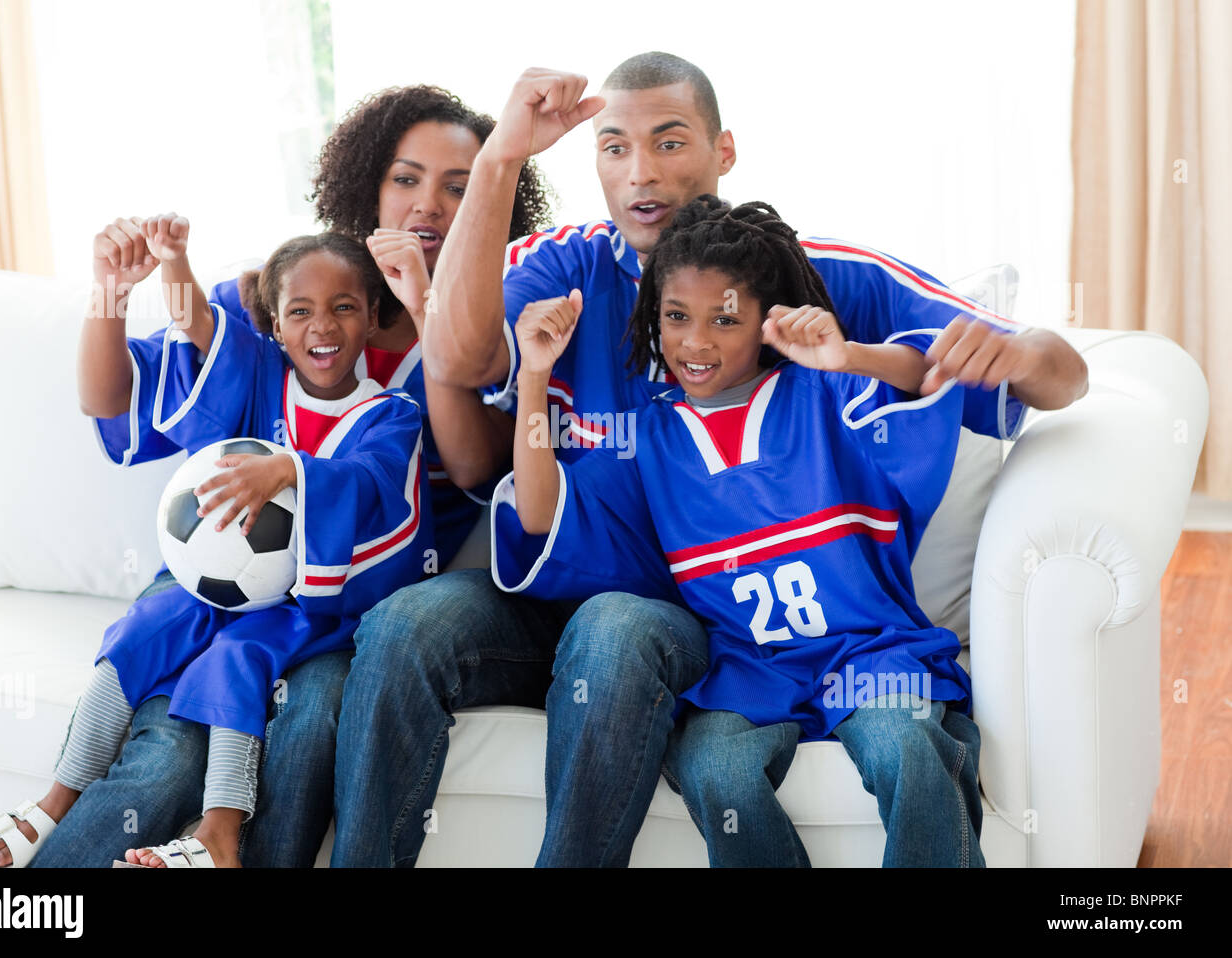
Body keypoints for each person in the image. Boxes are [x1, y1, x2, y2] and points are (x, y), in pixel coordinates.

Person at [329, 53, 1087, 867]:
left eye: (669, 141)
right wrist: (501, 157)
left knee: (618, 628)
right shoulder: (566, 269)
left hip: (702, 627)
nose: (641, 173)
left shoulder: (816, 278)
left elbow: (1053, 371)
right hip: (576, 575)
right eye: (614, 147)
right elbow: (463, 362)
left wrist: (1008, 356)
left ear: (724, 151)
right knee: (408, 625)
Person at [20, 86, 551, 868]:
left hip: (340, 602)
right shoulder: (286, 295)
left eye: (459, 186)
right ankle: (40, 891)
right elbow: (127, 401)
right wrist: (125, 286)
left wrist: (431, 307)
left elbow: (472, 467)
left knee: (303, 734)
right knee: (166, 756)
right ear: (367, 183)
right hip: (220, 571)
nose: (427, 206)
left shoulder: (490, 323)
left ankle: (223, 844)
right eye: (406, 179)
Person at [497, 196, 983, 867]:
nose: (695, 342)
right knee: (717, 772)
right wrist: (534, 375)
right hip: (748, 671)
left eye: (724, 320)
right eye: (675, 318)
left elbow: (927, 373)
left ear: (764, 323)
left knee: (908, 748)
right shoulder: (651, 438)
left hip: (869, 655)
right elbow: (537, 513)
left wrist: (848, 357)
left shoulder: (821, 393)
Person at [0, 216, 433, 868]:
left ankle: (220, 831)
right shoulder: (258, 374)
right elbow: (203, 328)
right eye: (300, 311)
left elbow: (374, 486)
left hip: (309, 604)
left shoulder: (389, 413)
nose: (323, 327)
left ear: (370, 320)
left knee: (236, 657)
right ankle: (55, 799)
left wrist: (290, 470)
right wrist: (174, 262)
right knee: (144, 626)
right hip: (220, 583)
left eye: (344, 309)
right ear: (275, 327)